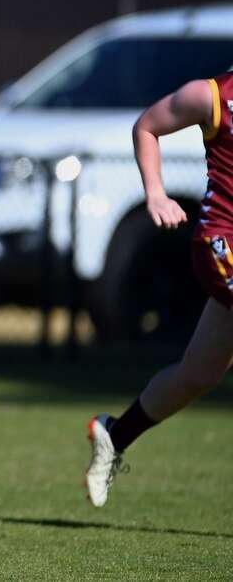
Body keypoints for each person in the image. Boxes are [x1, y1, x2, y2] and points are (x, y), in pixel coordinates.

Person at [84, 73, 233, 507]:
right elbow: (147, 126)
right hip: (221, 242)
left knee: (199, 374)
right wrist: (155, 194)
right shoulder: (210, 95)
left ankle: (115, 435)